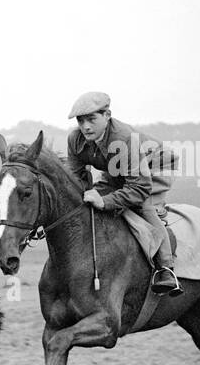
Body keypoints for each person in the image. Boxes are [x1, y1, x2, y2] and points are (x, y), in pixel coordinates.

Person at [65, 91, 182, 296]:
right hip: (120, 172)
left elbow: (139, 188)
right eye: (80, 121)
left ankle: (165, 269)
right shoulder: (75, 139)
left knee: (144, 207)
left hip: (156, 167)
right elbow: (75, 178)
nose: (85, 127)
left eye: (91, 119)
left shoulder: (123, 138)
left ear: (107, 115)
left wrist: (104, 201)